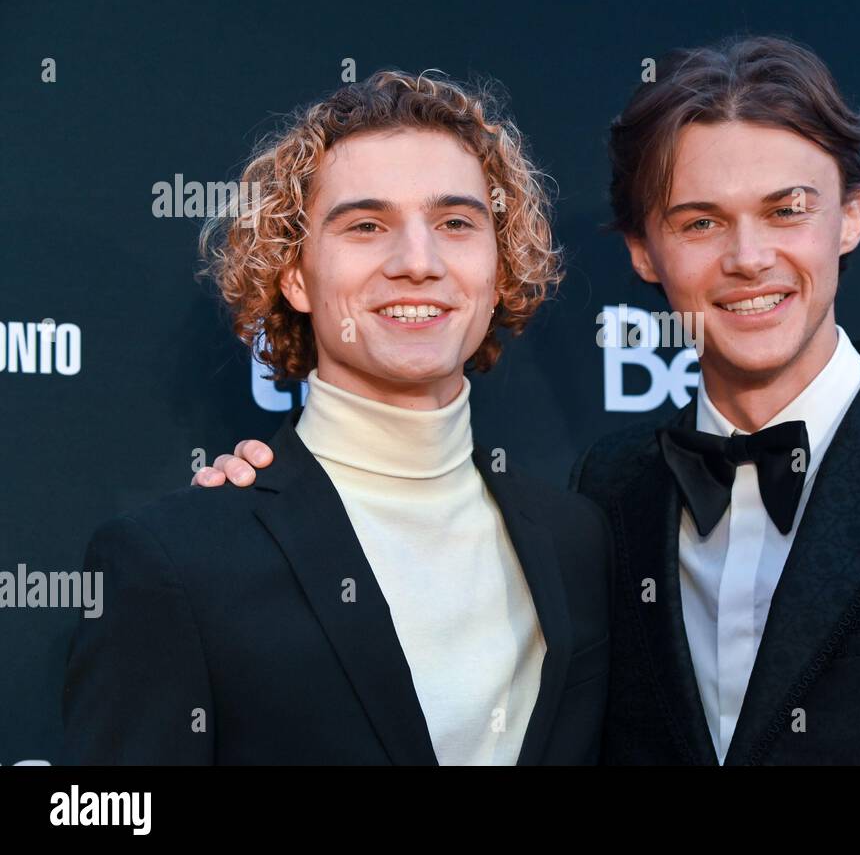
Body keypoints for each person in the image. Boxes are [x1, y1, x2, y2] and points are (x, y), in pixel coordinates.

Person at [197, 37, 860, 765]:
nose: (749, 257)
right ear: (645, 252)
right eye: (699, 223)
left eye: (788, 210)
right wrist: (284, 504)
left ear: (851, 216)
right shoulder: (609, 492)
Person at [64, 70, 610, 765]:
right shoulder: (176, 561)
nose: (419, 261)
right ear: (294, 275)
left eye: (456, 223)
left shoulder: (579, 541)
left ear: (499, 269)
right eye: (365, 226)